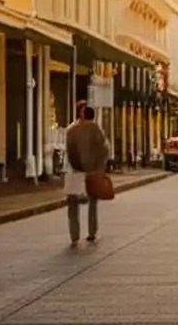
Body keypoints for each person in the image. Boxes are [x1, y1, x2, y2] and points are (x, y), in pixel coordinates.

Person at [64, 101, 110, 246]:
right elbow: (104, 150)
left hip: (74, 170)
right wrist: (99, 167)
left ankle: (74, 235)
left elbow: (70, 151)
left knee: (72, 204)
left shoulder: (71, 130)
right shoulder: (97, 129)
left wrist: (77, 166)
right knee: (93, 202)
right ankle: (91, 232)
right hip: (93, 171)